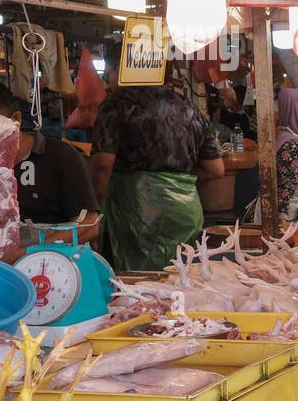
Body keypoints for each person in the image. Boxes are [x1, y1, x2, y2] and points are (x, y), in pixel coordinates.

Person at [89, 70, 224, 271]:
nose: (107, 79)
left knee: (135, 290)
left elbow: (102, 166)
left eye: (108, 72)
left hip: (135, 214)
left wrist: (93, 213)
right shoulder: (189, 107)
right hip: (184, 213)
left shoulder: (117, 103)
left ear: (121, 68)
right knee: (180, 282)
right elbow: (216, 169)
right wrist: (175, 183)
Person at [0, 80, 100, 243]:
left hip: (50, 261)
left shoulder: (60, 156)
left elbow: (89, 225)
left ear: (15, 120)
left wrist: (26, 253)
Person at [248, 87, 298, 222]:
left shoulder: (287, 137)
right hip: (280, 223)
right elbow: (283, 196)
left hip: (285, 220)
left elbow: (292, 182)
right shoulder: (292, 145)